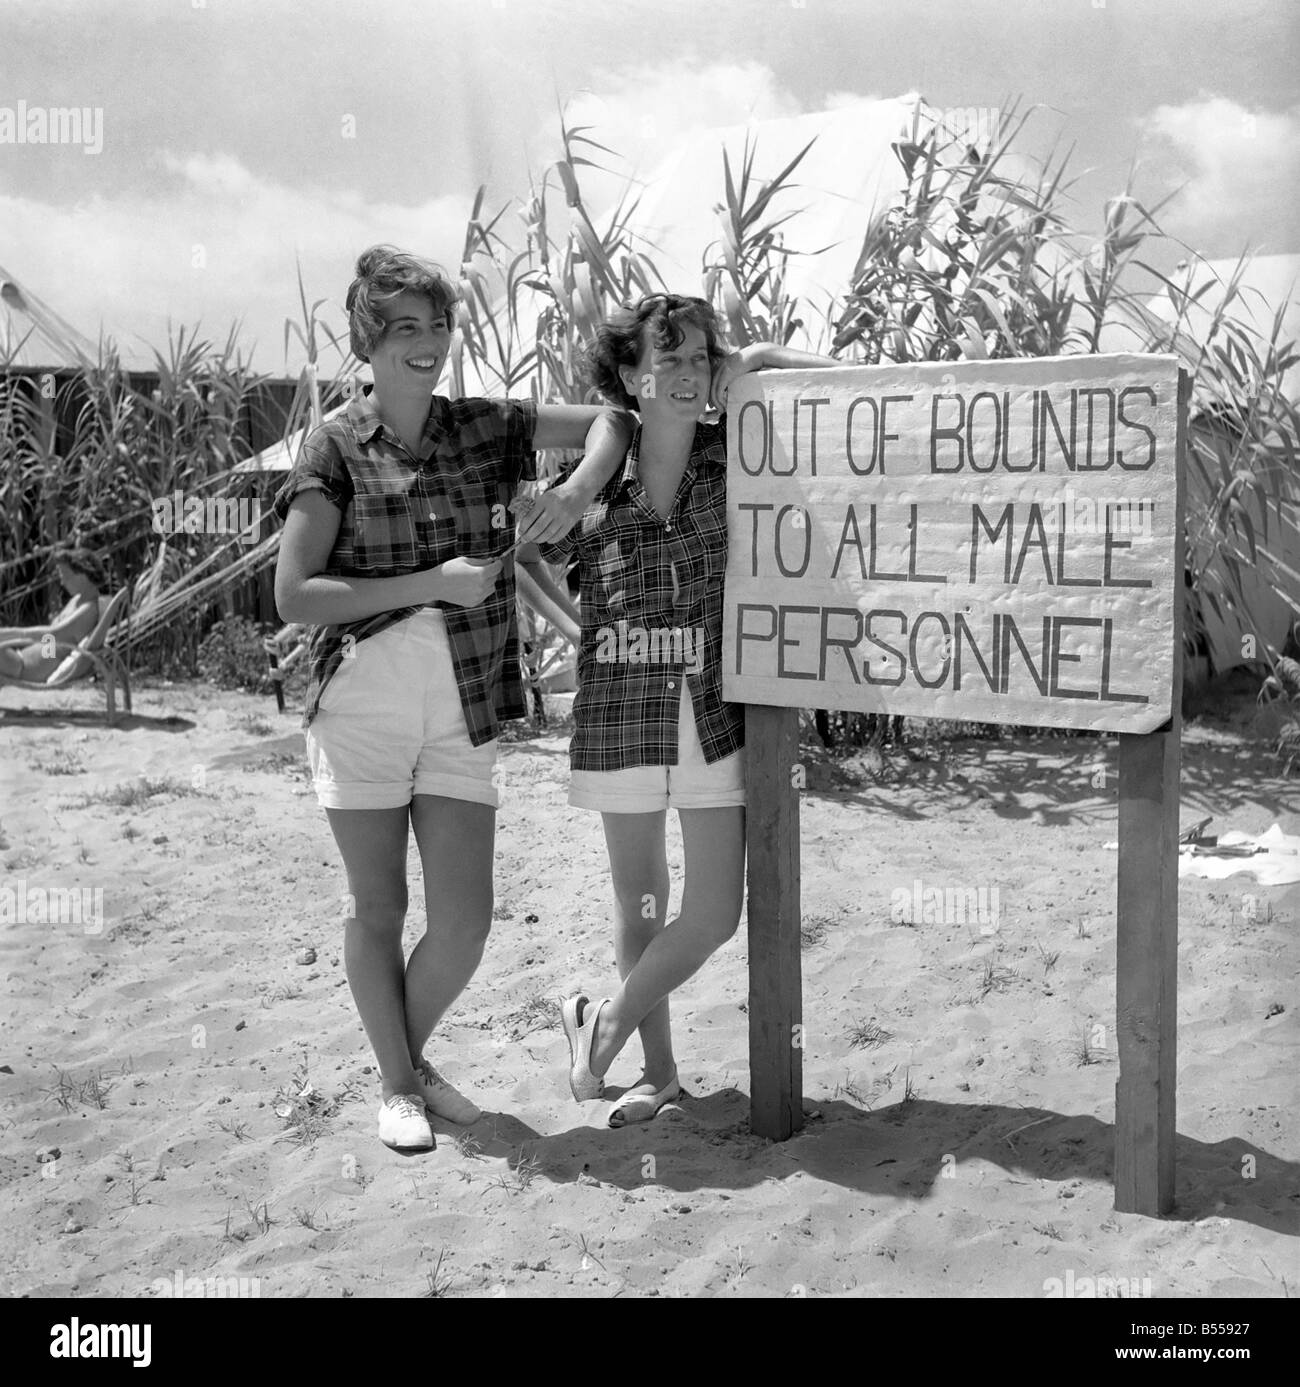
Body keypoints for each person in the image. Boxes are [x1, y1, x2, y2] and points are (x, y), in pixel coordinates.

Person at [272, 245, 632, 1152]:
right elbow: (294, 595)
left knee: (466, 922)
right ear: (368, 339)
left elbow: (613, 420)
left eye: (438, 325)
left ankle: (408, 1063)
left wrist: (574, 490)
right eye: (405, 329)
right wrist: (432, 579)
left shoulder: (483, 425)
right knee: (379, 911)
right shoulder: (334, 444)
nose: (428, 343)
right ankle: (399, 1085)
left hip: (467, 698)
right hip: (360, 703)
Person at [525, 293, 838, 1125]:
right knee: (641, 905)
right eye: (670, 358)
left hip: (711, 711)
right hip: (617, 712)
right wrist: (571, 626)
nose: (690, 373)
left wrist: (760, 356)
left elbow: (848, 394)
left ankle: (604, 1024)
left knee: (711, 911)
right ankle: (656, 1076)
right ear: (630, 375)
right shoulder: (594, 483)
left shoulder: (735, 455)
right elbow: (521, 553)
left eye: (701, 356)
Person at [0, 547, 107, 680]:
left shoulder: (87, 610)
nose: (62, 582)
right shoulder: (77, 600)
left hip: (25, 668)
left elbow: (53, 634)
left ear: (81, 575)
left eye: (65, 576)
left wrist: (10, 633)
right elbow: (50, 643)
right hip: (22, 660)